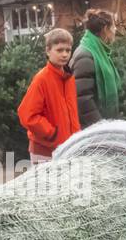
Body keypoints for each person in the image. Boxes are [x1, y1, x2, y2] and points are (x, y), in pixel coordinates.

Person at [17, 27, 80, 163]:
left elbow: (71, 113)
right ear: (48, 51)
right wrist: (52, 133)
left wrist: (76, 137)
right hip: (45, 152)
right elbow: (27, 115)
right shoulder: (42, 79)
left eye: (68, 50)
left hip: (68, 148)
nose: (64, 54)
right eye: (59, 50)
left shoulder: (69, 79)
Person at [71, 8, 122, 127]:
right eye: (113, 27)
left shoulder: (99, 51)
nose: (115, 30)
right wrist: (100, 126)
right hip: (93, 130)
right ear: (105, 29)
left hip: (102, 126)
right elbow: (83, 98)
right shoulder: (85, 55)